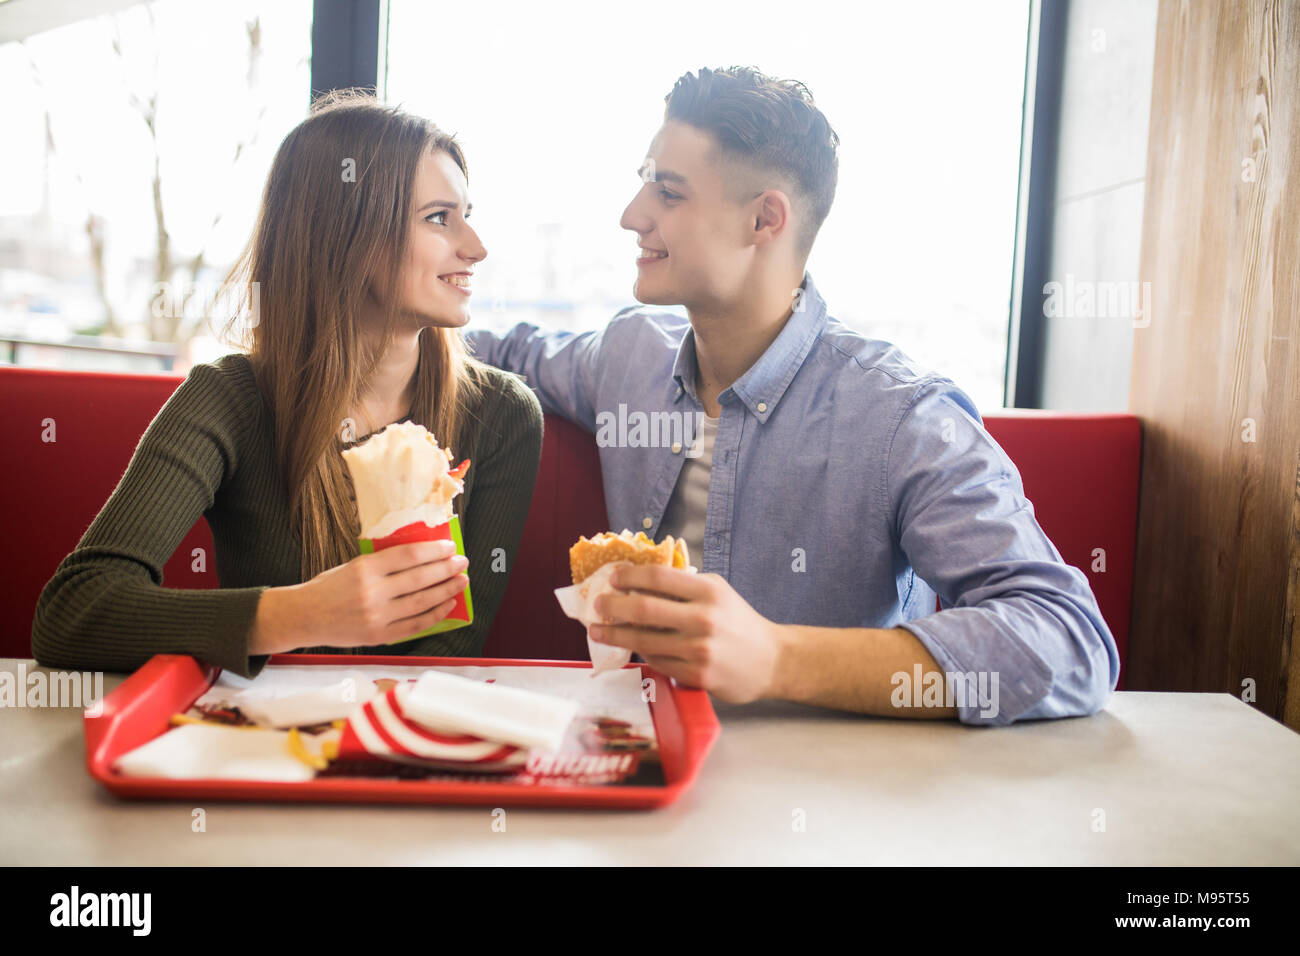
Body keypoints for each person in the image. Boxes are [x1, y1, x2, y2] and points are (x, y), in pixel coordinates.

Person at [466, 66, 1119, 726]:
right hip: (645, 764)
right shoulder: (627, 356)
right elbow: (494, 354)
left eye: (667, 192)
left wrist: (776, 658)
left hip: (842, 797)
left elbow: (1069, 642)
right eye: (644, 183)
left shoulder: (903, 416)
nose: (632, 215)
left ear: (764, 218)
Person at [31, 91, 543, 680]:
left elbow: (453, 652)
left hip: (400, 749)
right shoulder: (229, 401)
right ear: (347, 235)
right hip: (258, 746)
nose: (475, 248)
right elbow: (74, 612)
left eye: (467, 214)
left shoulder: (502, 414)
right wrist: (302, 613)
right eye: (437, 218)